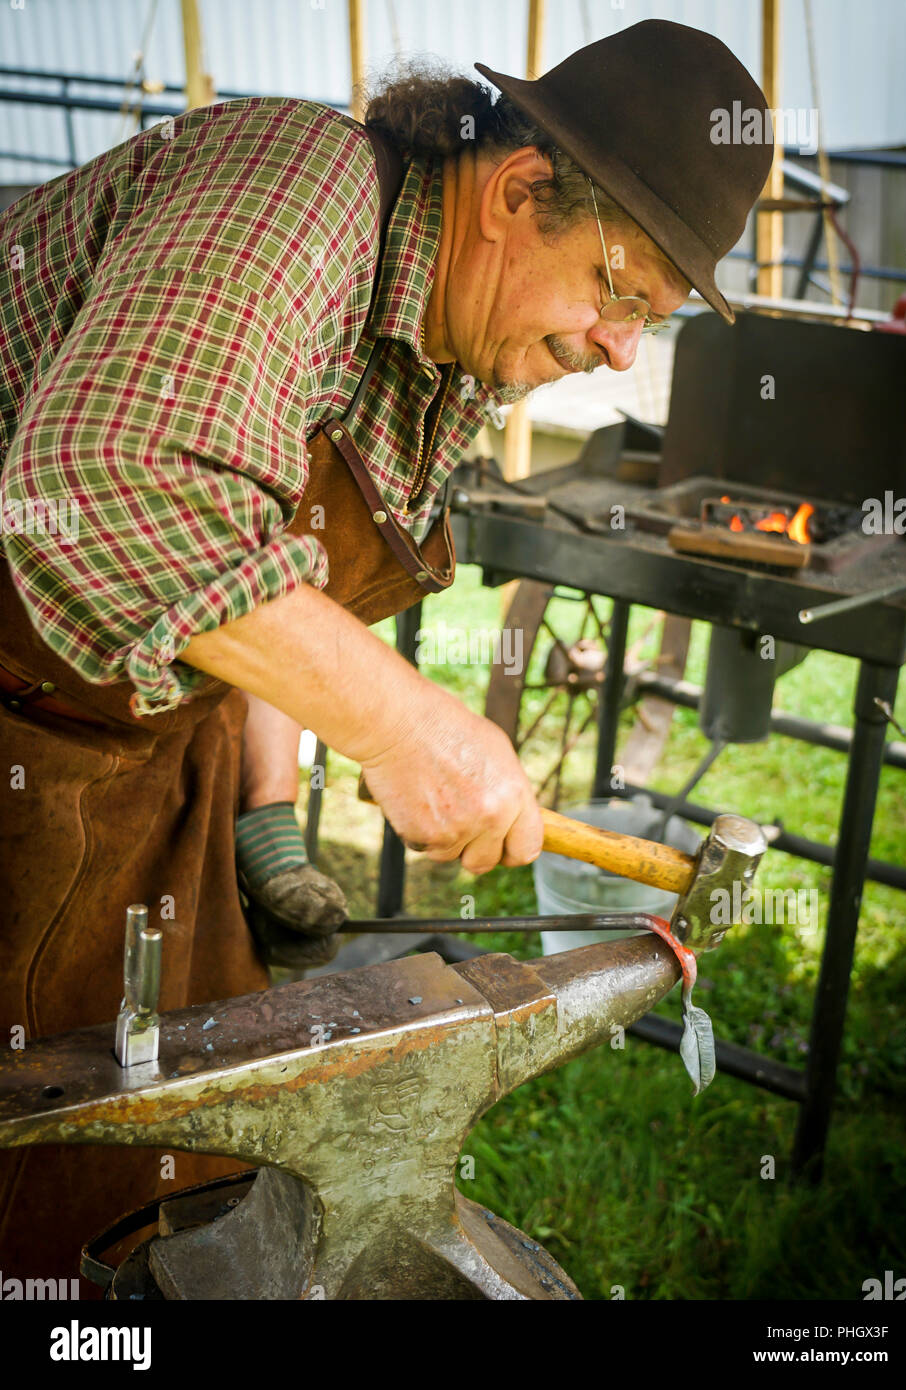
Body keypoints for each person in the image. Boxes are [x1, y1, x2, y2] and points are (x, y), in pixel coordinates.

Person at [0, 19, 772, 1285]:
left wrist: (264, 813)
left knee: (178, 1160)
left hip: (146, 768)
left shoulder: (446, 358)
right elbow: (112, 489)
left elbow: (263, 589)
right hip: (18, 735)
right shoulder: (285, 191)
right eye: (618, 293)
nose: (622, 347)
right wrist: (407, 723)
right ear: (518, 195)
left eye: (652, 318)